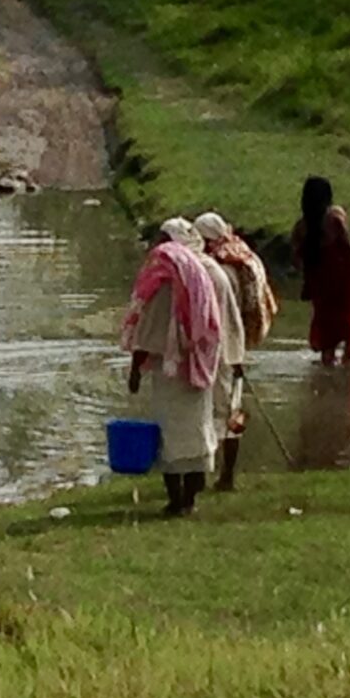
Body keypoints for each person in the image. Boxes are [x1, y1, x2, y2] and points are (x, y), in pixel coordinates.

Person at [120, 219, 222, 518]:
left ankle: (177, 501)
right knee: (197, 429)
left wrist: (136, 369)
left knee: (171, 436)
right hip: (199, 365)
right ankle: (190, 496)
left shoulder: (163, 279)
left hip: (171, 370)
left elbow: (149, 329)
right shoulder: (197, 274)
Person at [195, 212, 278, 491]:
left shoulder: (215, 272)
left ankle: (212, 475)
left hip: (218, 350)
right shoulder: (241, 263)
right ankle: (226, 475)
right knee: (231, 409)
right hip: (236, 346)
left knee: (214, 413)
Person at [289, 177, 350, 367]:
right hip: (344, 286)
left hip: (321, 289)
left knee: (328, 338)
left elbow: (298, 261)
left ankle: (327, 374)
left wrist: (308, 283)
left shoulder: (300, 228)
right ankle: (346, 371)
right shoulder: (334, 221)